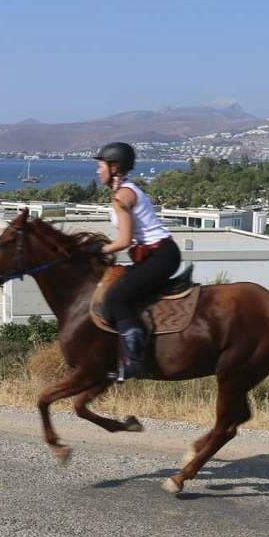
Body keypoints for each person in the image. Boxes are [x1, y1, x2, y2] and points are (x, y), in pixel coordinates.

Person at [93, 142, 181, 380]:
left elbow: (123, 241)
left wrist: (100, 250)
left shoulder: (122, 197)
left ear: (114, 167)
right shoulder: (126, 190)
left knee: (116, 298)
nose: (97, 171)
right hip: (154, 255)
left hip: (160, 256)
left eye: (100, 165)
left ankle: (135, 361)